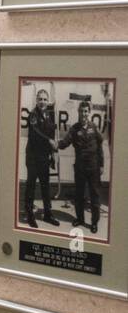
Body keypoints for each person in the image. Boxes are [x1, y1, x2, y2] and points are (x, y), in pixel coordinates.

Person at [59, 100, 105, 234]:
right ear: (78, 112)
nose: (84, 114)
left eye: (86, 111)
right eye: (81, 111)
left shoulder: (94, 127)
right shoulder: (74, 129)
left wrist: (101, 164)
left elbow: (100, 147)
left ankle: (94, 222)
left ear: (89, 113)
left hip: (94, 167)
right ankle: (79, 218)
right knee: (79, 195)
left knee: (95, 196)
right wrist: (56, 144)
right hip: (80, 167)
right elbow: (65, 142)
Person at [23, 88, 59, 228]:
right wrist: (49, 141)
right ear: (36, 100)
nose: (42, 102)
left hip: (44, 157)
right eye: (40, 99)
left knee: (45, 186)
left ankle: (48, 214)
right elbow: (36, 134)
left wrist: (53, 154)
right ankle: (30, 215)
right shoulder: (33, 115)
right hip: (32, 157)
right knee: (31, 186)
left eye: (45, 99)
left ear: (48, 101)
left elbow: (50, 134)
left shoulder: (49, 115)